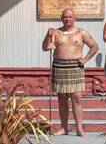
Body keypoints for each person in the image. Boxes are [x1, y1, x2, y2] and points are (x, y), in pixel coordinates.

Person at [41, 8, 99, 136]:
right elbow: (45, 48)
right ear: (61, 18)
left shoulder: (81, 33)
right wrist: (48, 35)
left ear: (74, 18)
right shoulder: (56, 33)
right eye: (65, 17)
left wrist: (85, 59)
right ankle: (64, 128)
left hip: (75, 67)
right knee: (62, 99)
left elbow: (94, 46)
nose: (67, 19)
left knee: (76, 98)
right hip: (59, 67)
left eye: (70, 17)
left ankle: (79, 128)